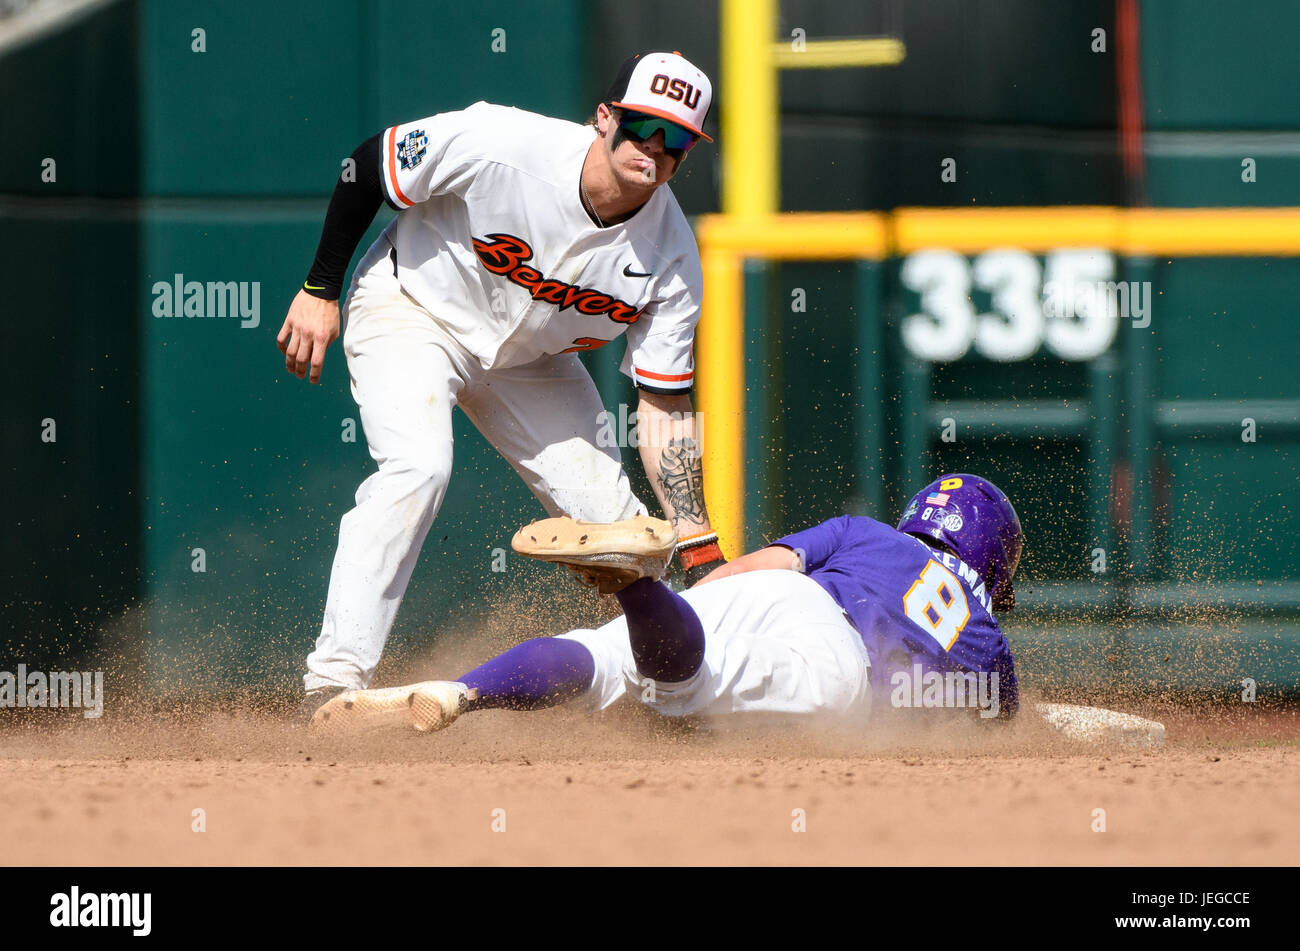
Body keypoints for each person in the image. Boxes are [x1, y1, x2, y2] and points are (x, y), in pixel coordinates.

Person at [275, 52, 728, 718]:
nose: (654, 149)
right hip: (414, 306)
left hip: (532, 362)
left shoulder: (671, 256)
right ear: (605, 118)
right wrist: (320, 287)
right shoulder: (505, 145)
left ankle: (663, 700)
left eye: (677, 138)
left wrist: (702, 548)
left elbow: (663, 405)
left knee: (628, 539)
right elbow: (372, 161)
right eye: (642, 126)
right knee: (418, 468)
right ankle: (331, 685)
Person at [309, 474, 1024, 732]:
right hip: (837, 666)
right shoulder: (988, 638)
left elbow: (746, 569)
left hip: (784, 593)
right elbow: (971, 727)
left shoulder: (867, 533)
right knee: (683, 679)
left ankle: (462, 691)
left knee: (604, 655)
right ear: (993, 564)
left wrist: (691, 606)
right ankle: (635, 585)